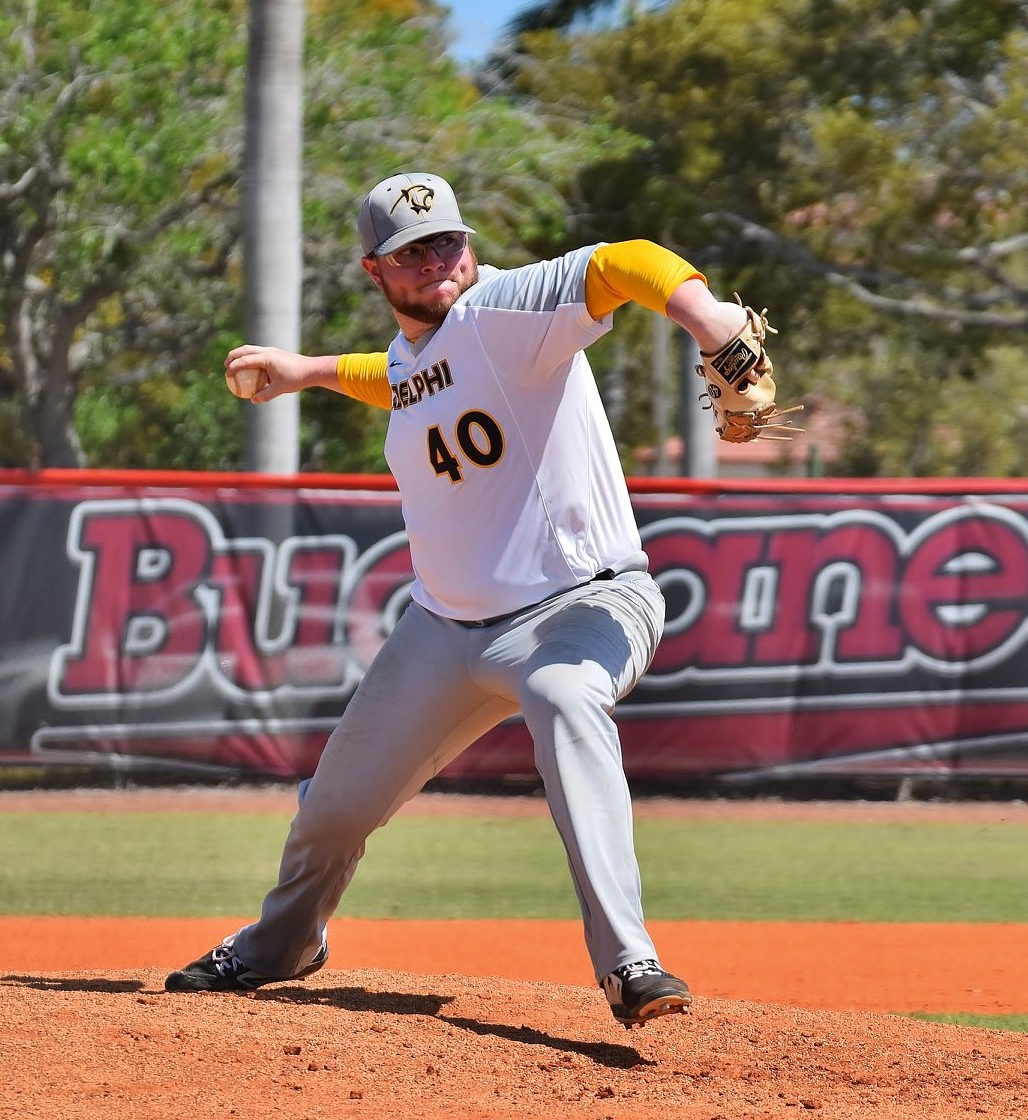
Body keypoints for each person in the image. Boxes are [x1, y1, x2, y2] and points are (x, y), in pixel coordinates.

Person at [165, 171, 769, 1028]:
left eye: (446, 241)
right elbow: (409, 376)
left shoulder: (508, 307)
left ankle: (629, 962)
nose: (436, 262)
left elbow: (624, 261)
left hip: (579, 605)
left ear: (468, 243)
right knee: (334, 806)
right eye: (410, 253)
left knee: (566, 698)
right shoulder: (424, 350)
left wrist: (707, 319)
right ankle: (283, 944)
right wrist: (306, 372)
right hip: (442, 635)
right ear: (375, 273)